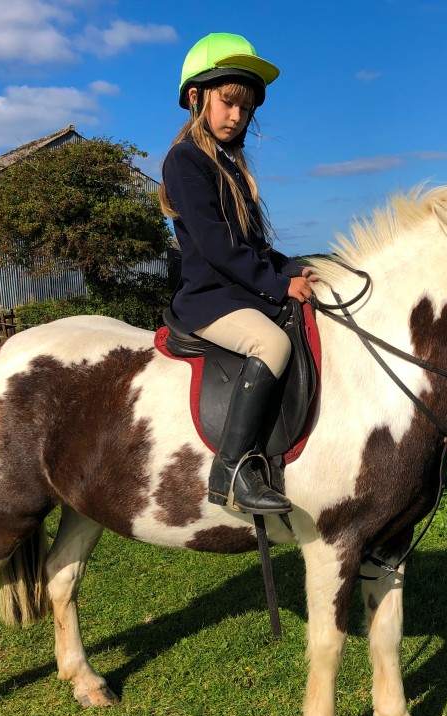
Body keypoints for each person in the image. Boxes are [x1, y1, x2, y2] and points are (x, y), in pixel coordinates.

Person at [160, 32, 316, 516]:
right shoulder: (185, 161)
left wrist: (296, 269)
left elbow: (251, 244)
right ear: (196, 98)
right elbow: (217, 247)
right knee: (272, 344)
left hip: (239, 291)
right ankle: (230, 471)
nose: (237, 116)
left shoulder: (228, 164)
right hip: (211, 299)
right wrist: (274, 284)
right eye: (228, 103)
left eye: (245, 109)